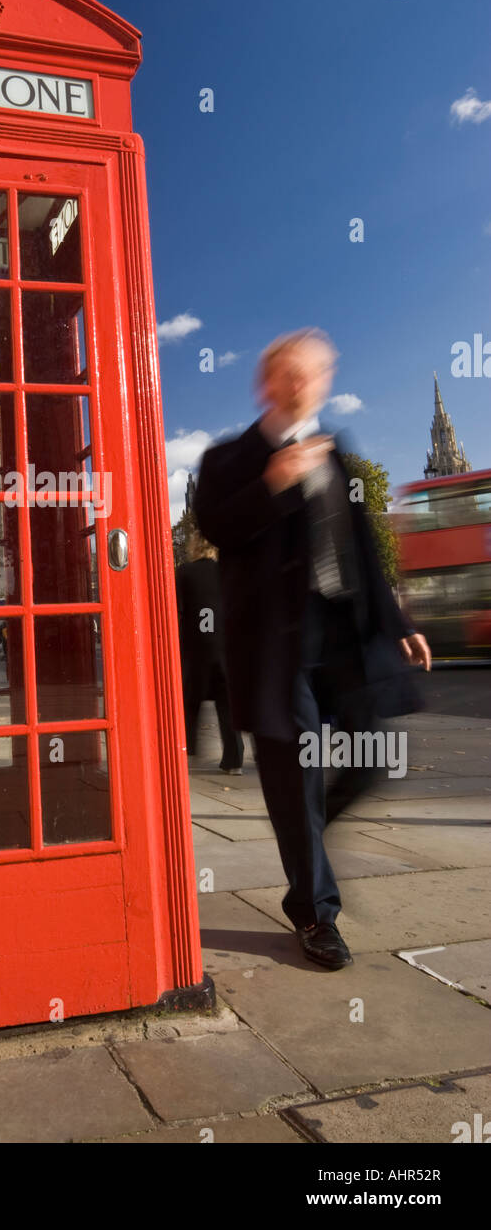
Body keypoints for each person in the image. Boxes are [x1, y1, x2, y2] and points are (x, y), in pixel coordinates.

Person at [194, 328, 431, 970]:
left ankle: (305, 839)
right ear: (266, 382)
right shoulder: (227, 459)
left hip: (344, 633)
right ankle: (315, 912)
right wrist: (271, 484)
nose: (305, 383)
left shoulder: (336, 452)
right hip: (276, 646)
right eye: (292, 373)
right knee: (294, 770)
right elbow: (213, 527)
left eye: (316, 372)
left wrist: (400, 621)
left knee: (370, 762)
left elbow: (360, 548)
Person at [175, 529, 244, 772]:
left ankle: (188, 752)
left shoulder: (184, 572)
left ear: (194, 546)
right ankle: (234, 760)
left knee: (190, 703)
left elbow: (178, 613)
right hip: (225, 648)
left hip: (197, 649)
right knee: (227, 706)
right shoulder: (226, 571)